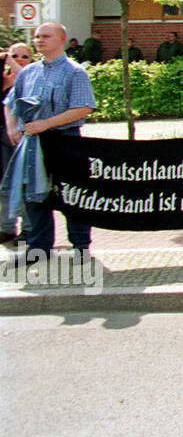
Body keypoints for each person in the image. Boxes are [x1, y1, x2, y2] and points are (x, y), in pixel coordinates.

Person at [3, 22, 96, 263]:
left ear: (61, 39)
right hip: (33, 143)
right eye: (36, 36)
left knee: (71, 194)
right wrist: (12, 126)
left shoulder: (74, 72)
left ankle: (80, 247)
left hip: (65, 141)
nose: (39, 40)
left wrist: (48, 123)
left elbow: (84, 107)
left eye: (45, 36)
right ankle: (38, 249)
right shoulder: (28, 72)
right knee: (34, 195)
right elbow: (11, 103)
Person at [0, 44, 35, 244]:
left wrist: (9, 60)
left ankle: (28, 229)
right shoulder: (5, 79)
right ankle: (6, 227)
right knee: (4, 183)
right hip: (2, 134)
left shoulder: (31, 75)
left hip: (24, 134)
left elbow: (24, 77)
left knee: (25, 183)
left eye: (24, 56)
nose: (19, 58)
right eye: (14, 55)